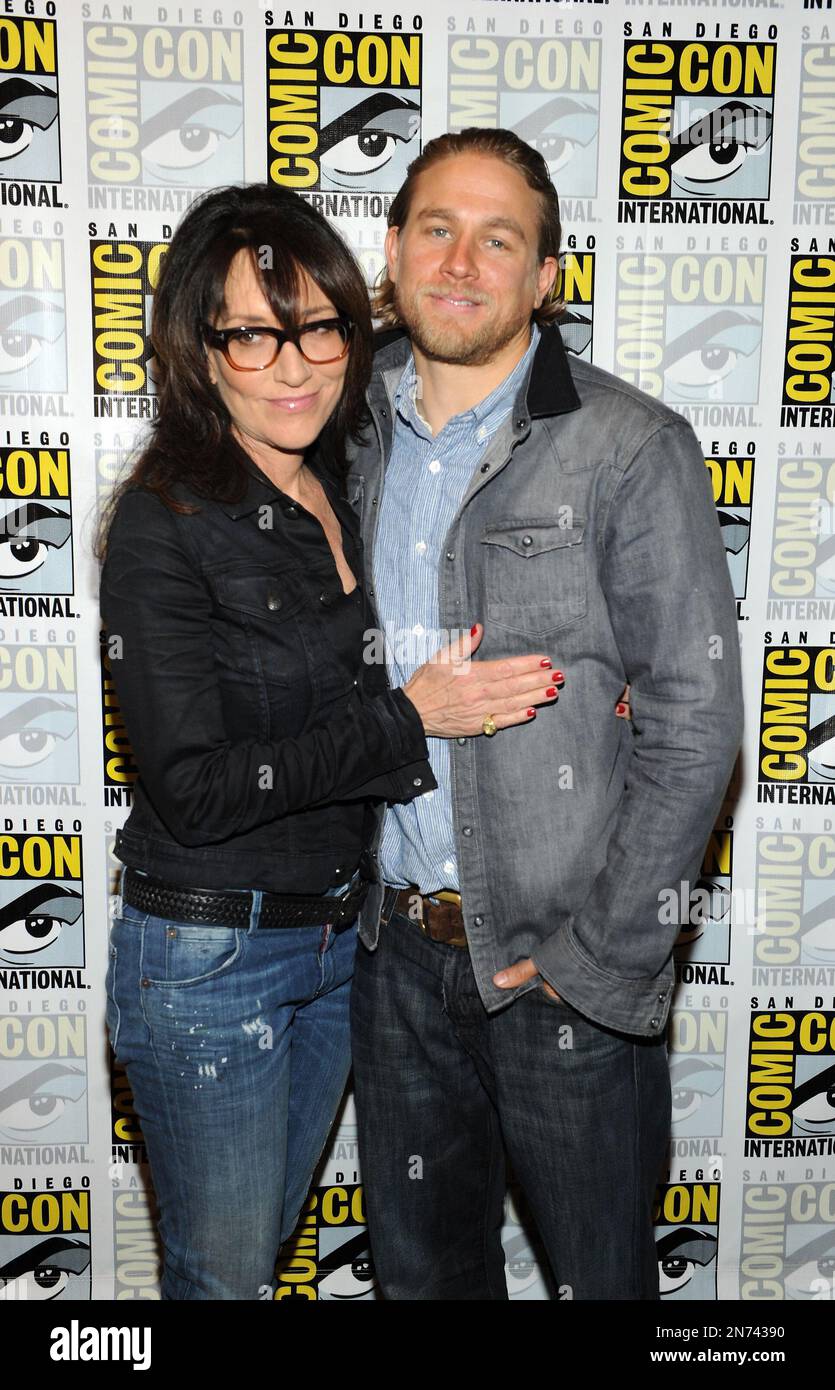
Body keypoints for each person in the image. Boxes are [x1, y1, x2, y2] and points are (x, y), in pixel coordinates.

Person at [96, 183, 561, 1301]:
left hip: (336, 953)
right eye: (253, 333)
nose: (295, 363)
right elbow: (198, 791)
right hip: (211, 962)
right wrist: (412, 714)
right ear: (198, 351)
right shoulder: (166, 525)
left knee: (251, 1265)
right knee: (221, 1280)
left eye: (318, 327)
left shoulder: (339, 483)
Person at [346, 129, 745, 1301]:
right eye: (436, 228)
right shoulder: (339, 428)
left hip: (555, 967)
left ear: (545, 277)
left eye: (499, 238)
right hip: (389, 961)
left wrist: (593, 960)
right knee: (423, 1284)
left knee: (602, 1286)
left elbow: (695, 717)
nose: (461, 261)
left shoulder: (626, 448)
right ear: (393, 249)